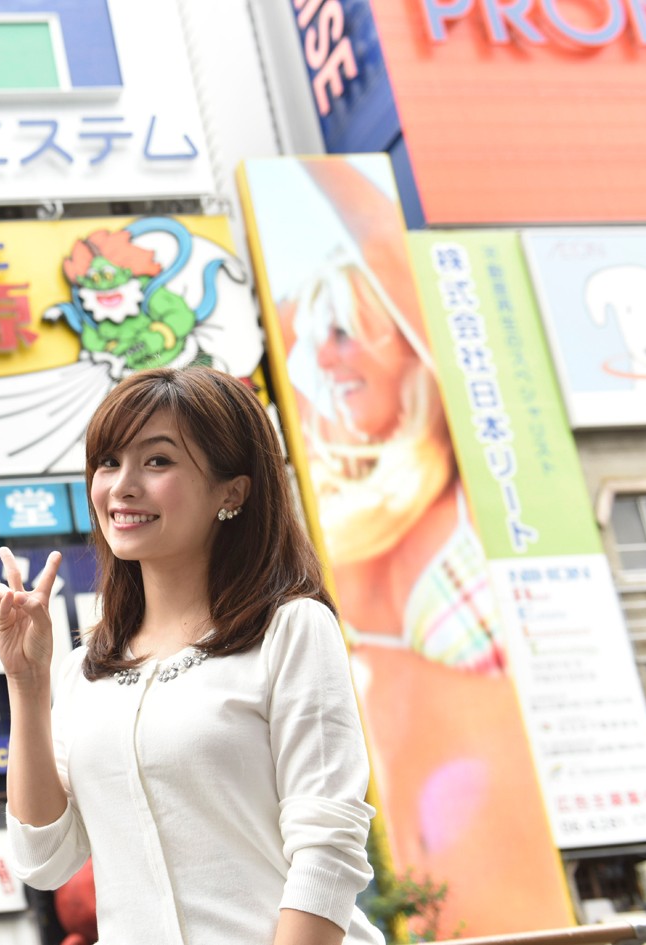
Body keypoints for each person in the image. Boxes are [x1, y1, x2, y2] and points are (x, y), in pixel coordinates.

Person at [274, 161, 569, 932]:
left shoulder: (463, 491)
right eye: (314, 339)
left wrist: (313, 152)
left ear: (408, 346)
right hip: (404, 895)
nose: (324, 357)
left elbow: (379, 237)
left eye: (345, 331)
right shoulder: (332, 516)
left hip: (528, 886)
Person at [0, 366, 383, 945]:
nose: (122, 487)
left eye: (157, 461)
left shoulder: (289, 630)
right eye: (108, 461)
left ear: (233, 491)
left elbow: (327, 849)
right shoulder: (86, 669)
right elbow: (43, 859)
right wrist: (28, 688)